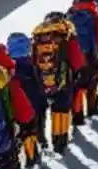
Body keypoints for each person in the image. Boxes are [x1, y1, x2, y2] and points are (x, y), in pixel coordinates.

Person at [31, 11, 86, 155]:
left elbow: (32, 60)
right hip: (64, 80)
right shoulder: (67, 36)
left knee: (48, 109)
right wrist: (77, 72)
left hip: (42, 81)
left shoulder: (38, 38)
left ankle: (45, 141)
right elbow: (78, 61)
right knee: (61, 110)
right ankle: (60, 141)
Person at [69, 0, 98, 124]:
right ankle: (92, 109)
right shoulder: (94, 17)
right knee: (91, 83)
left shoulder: (69, 17)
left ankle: (77, 115)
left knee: (77, 86)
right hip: (90, 55)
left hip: (73, 57)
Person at [6, 33, 47, 169]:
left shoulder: (8, 68)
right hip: (33, 105)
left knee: (20, 130)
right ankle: (32, 155)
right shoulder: (31, 65)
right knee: (31, 130)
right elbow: (39, 86)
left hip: (15, 107)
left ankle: (19, 154)